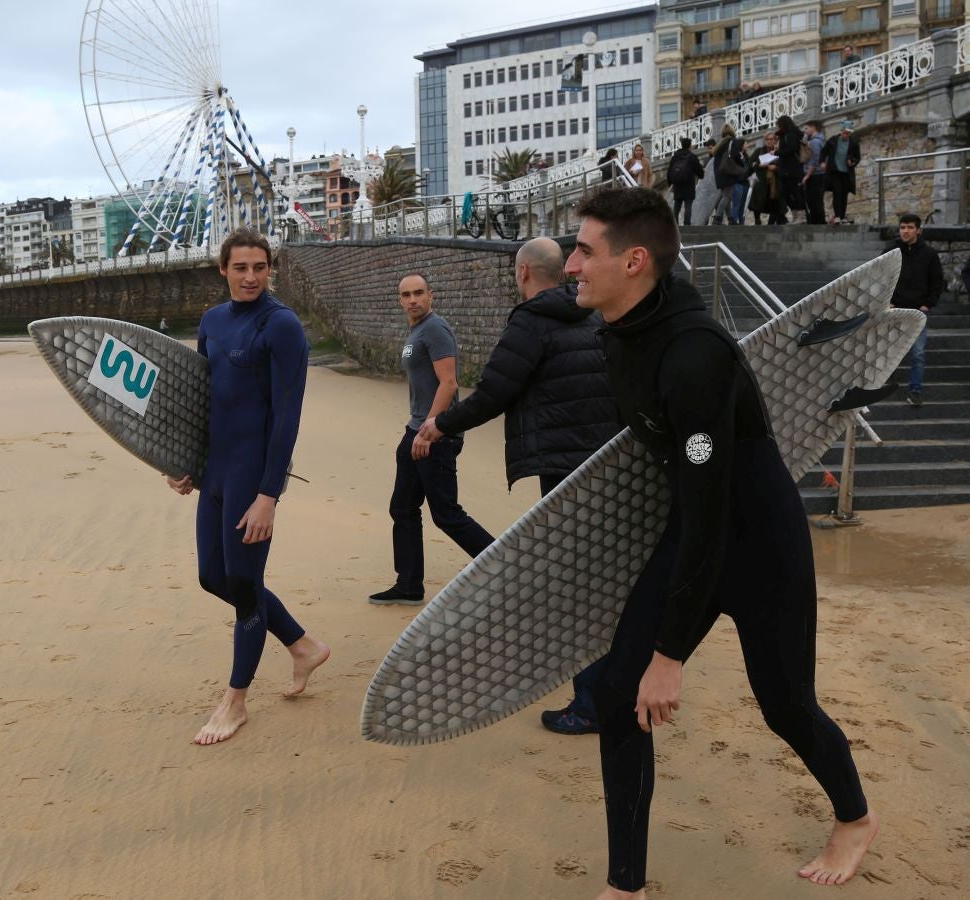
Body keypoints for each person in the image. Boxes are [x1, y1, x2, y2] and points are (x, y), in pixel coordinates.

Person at [563, 186, 877, 897]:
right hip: (695, 531)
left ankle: (855, 819)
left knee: (786, 704)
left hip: (758, 544)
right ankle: (625, 884)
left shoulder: (693, 354)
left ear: (634, 261)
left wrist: (669, 656)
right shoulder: (622, 326)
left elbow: (713, 512)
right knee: (618, 695)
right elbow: (689, 510)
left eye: (584, 250)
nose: (571, 262)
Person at [416, 237, 619, 736]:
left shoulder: (531, 321)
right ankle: (617, 685)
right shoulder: (594, 314)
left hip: (564, 467)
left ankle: (590, 704)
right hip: (607, 460)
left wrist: (441, 424)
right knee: (604, 581)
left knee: (575, 589)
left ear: (524, 271)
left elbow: (496, 391)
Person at [165, 229, 330, 745]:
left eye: (260, 267)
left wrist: (268, 495)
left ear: (270, 268)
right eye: (241, 268)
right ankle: (303, 646)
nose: (251, 277)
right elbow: (200, 398)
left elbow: (287, 418)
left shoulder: (281, 326)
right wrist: (185, 461)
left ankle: (235, 701)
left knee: (243, 585)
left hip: (252, 476)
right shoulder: (213, 322)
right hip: (216, 471)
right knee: (214, 576)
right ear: (224, 269)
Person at [368, 273, 495, 605]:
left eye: (419, 293)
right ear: (400, 300)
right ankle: (409, 585)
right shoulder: (416, 331)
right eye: (407, 295)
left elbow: (449, 383)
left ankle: (504, 566)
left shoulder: (436, 329)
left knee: (446, 513)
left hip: (435, 433)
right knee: (403, 507)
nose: (413, 299)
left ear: (431, 295)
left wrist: (429, 430)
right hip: (416, 429)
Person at [891, 213, 945, 407]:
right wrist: (887, 301)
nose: (905, 231)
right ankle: (878, 387)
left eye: (910, 227)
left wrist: (928, 304)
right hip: (893, 310)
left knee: (918, 353)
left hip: (918, 312)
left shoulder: (929, 254)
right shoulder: (891, 251)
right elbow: (879, 277)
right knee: (885, 350)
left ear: (918, 230)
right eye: (902, 227)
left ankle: (915, 390)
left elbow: (937, 281)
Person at [821, 120, 861, 225]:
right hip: (835, 171)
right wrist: (822, 162)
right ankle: (837, 216)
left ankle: (842, 216)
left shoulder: (853, 143)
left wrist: (852, 161)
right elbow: (823, 151)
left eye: (848, 133)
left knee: (844, 194)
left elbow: (857, 157)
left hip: (846, 173)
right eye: (844, 132)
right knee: (837, 193)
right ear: (841, 131)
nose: (846, 135)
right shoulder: (833, 141)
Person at [708, 125, 746, 225]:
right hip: (728, 172)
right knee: (727, 196)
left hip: (719, 173)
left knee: (726, 196)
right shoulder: (733, 141)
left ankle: (730, 218)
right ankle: (717, 218)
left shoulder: (720, 143)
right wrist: (742, 164)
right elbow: (735, 155)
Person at [666, 137, 704, 227]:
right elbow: (699, 171)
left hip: (677, 185)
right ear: (689, 146)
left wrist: (670, 183)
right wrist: (701, 174)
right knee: (688, 205)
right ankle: (687, 225)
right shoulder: (692, 157)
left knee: (677, 206)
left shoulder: (675, 156)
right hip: (688, 184)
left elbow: (669, 171)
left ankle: (675, 225)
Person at [774, 115, 806, 219]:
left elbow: (791, 149)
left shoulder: (790, 135)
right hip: (785, 169)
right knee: (785, 192)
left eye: (779, 125)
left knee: (794, 191)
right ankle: (795, 214)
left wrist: (777, 152)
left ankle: (801, 216)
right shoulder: (784, 135)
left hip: (791, 169)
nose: (778, 128)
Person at [802, 121, 828, 225]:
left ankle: (818, 222)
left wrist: (807, 175)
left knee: (814, 200)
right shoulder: (820, 140)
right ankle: (818, 221)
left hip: (815, 175)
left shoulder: (815, 142)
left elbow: (815, 159)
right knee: (817, 199)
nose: (805, 131)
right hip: (819, 174)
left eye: (806, 128)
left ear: (813, 128)